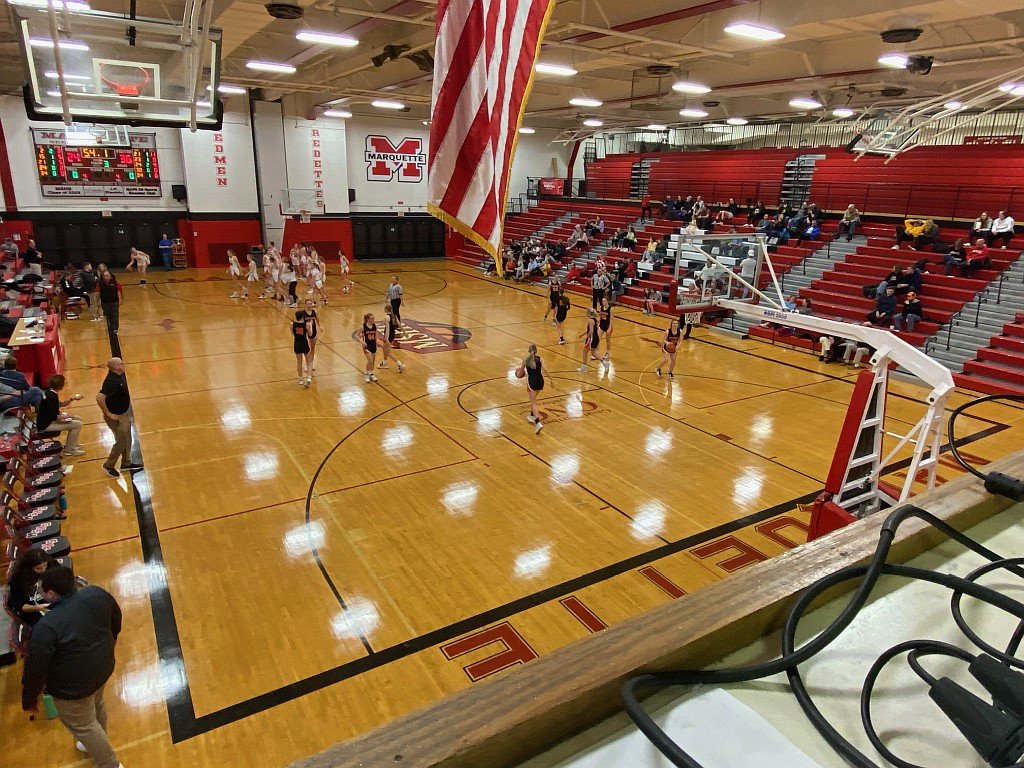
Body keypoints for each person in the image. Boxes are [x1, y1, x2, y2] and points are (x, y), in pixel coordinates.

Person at [21, 566, 123, 768]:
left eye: (43, 590)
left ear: (51, 594)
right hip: (103, 667)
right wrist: (110, 642)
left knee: (84, 726)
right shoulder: (96, 593)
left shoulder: (48, 625)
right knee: (96, 704)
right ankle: (96, 742)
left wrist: (29, 699)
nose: (41, 593)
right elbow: (116, 618)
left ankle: (110, 764)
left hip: (72, 688)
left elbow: (36, 668)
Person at [96, 357, 139, 478]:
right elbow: (99, 397)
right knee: (121, 441)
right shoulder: (112, 381)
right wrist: (108, 413)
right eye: (121, 363)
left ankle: (126, 462)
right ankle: (109, 465)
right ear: (116, 367)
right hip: (116, 416)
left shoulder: (119, 376)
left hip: (123, 414)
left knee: (127, 438)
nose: (124, 364)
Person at [37, 374, 85, 456]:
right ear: (60, 385)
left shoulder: (49, 393)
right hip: (46, 425)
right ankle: (69, 450)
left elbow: (61, 404)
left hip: (48, 420)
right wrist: (67, 417)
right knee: (77, 424)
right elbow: (55, 417)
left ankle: (72, 444)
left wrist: (72, 399)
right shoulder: (51, 398)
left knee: (78, 418)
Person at [5, 550, 54, 628]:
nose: (43, 570)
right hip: (31, 609)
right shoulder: (18, 581)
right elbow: (21, 606)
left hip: (50, 602)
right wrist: (39, 608)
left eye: (45, 566)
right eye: (38, 568)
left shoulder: (51, 565)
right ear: (29, 568)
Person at [521, 344, 551, 435]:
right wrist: (551, 380)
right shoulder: (540, 359)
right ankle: (531, 415)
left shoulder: (525, 360)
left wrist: (518, 372)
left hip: (532, 383)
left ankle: (537, 423)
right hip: (540, 382)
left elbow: (521, 372)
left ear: (528, 351)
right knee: (533, 399)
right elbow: (545, 370)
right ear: (536, 351)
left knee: (533, 403)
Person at [379, 303, 406, 373]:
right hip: (393, 334)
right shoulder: (394, 316)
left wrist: (386, 338)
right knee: (385, 349)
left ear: (385, 309)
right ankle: (384, 363)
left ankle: (400, 364)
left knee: (388, 352)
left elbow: (387, 329)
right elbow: (399, 324)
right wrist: (404, 331)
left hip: (388, 335)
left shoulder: (386, 317)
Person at [291, 310, 312, 387]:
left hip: (297, 343)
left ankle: (300, 379)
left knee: (299, 362)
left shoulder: (292, 324)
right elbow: (310, 334)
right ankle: (309, 378)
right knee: (309, 361)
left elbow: (293, 333)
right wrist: (310, 326)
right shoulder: (306, 324)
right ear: (303, 317)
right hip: (304, 343)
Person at [97, 271, 122, 335]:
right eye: (104, 276)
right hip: (105, 303)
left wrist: (120, 300)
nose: (105, 277)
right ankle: (110, 327)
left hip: (114, 302)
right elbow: (98, 293)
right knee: (108, 315)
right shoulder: (100, 284)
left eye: (107, 276)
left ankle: (115, 328)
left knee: (115, 316)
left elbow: (119, 292)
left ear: (110, 276)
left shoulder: (115, 283)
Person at [357, 313, 379, 383]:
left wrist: (376, 342)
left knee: (373, 361)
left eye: (373, 318)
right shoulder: (363, 327)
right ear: (368, 319)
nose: (373, 320)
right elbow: (356, 336)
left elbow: (375, 335)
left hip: (373, 345)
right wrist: (362, 342)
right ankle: (366, 374)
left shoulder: (374, 326)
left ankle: (371, 374)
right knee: (370, 361)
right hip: (366, 346)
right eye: (372, 318)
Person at [598, 296, 613, 369]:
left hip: (607, 326)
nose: (603, 302)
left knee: (608, 340)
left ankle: (607, 352)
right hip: (601, 325)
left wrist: (610, 327)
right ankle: (596, 352)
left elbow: (611, 319)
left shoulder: (610, 309)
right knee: (598, 338)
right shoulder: (601, 307)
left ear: (607, 301)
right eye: (602, 301)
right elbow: (600, 316)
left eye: (604, 301)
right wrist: (598, 323)